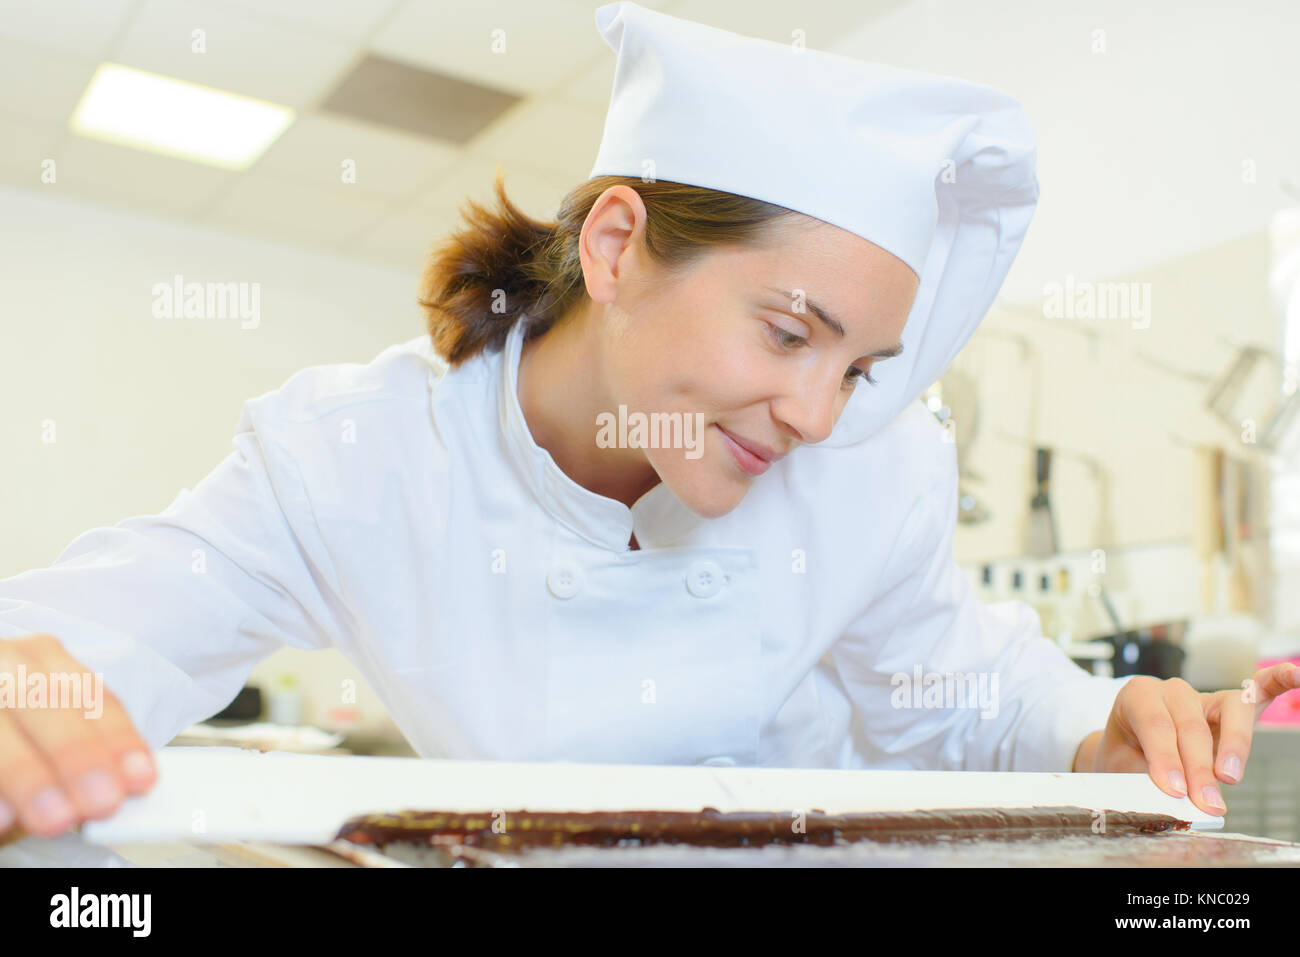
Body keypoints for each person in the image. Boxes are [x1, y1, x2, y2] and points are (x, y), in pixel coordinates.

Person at [1, 1, 1296, 845]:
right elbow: (94, 638)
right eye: (790, 330)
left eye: (857, 364)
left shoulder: (869, 459)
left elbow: (951, 685)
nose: (812, 409)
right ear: (616, 244)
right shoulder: (352, 456)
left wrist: (1097, 719)